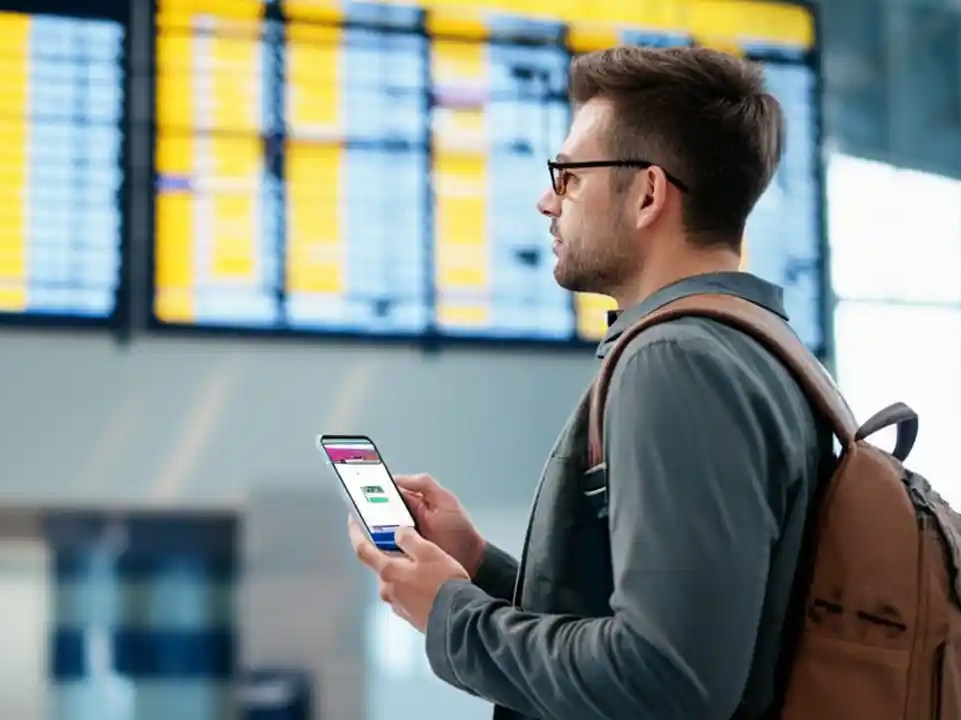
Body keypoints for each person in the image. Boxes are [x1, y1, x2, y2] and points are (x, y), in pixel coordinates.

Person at [348, 45, 833, 720]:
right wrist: (478, 567)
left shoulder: (676, 362)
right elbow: (675, 632)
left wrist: (450, 617)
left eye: (570, 175)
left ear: (648, 194)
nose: (547, 200)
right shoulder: (758, 349)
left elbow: (667, 681)